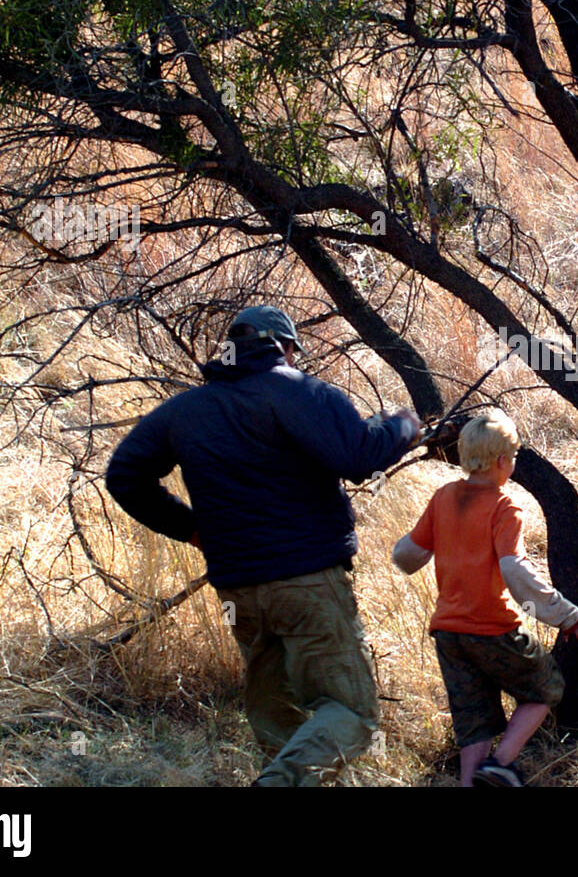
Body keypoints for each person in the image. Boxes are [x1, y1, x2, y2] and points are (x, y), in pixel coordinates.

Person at [105, 305, 421, 786]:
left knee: (279, 721)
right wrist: (404, 423)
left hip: (240, 592)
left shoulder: (186, 410)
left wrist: (194, 530)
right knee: (351, 714)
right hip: (309, 583)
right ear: (285, 347)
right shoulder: (297, 391)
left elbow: (125, 477)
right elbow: (360, 457)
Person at [391, 410, 578, 787]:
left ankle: (472, 782)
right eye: (512, 456)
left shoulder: (444, 496)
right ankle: (499, 764)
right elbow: (515, 571)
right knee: (546, 686)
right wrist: (562, 613)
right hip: (492, 627)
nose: (513, 463)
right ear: (502, 461)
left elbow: (406, 556)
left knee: (473, 720)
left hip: (448, 632)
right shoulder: (505, 507)